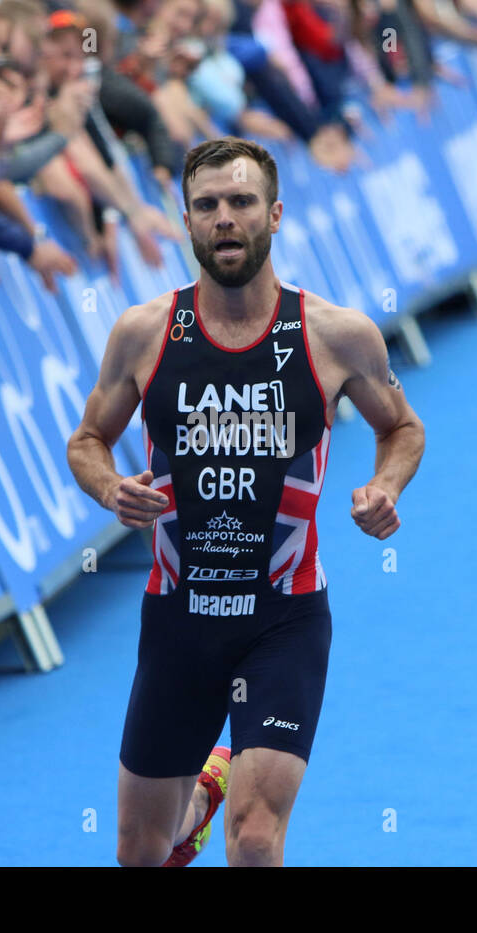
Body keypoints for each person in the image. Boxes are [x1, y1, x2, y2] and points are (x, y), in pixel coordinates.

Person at [66, 137, 425, 866]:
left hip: (283, 621)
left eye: (240, 203)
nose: (224, 219)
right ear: (187, 221)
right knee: (141, 850)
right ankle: (199, 798)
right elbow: (86, 440)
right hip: (178, 621)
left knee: (256, 840)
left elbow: (404, 427)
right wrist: (111, 488)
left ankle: (220, 804)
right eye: (207, 206)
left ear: (276, 214)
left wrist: (384, 487)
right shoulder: (144, 334)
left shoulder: (335, 336)